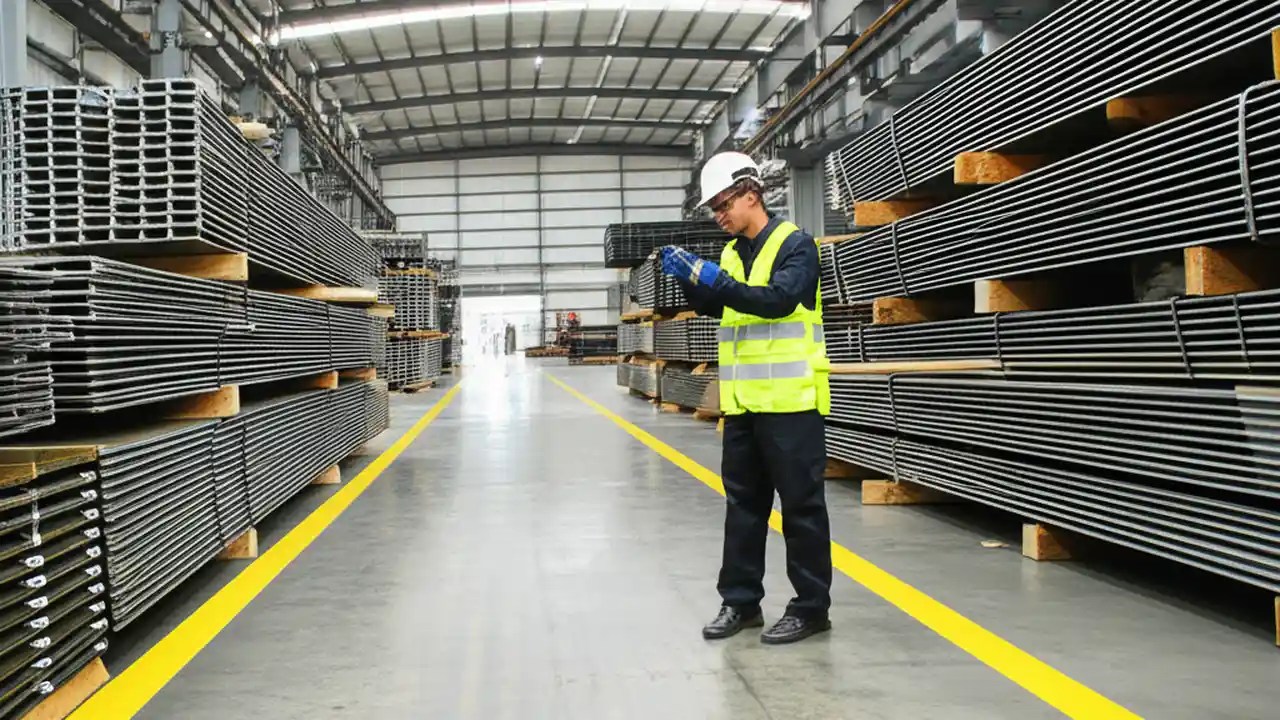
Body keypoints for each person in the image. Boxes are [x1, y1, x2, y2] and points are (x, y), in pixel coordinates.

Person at [659, 151, 832, 645]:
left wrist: (717, 281)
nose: (719, 216)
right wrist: (693, 279)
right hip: (743, 407)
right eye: (713, 208)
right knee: (743, 507)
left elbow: (778, 301)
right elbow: (722, 304)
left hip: (792, 405)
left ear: (751, 193)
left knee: (801, 508)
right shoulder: (733, 253)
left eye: (723, 204)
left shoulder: (797, 246)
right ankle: (740, 602)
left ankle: (811, 607)